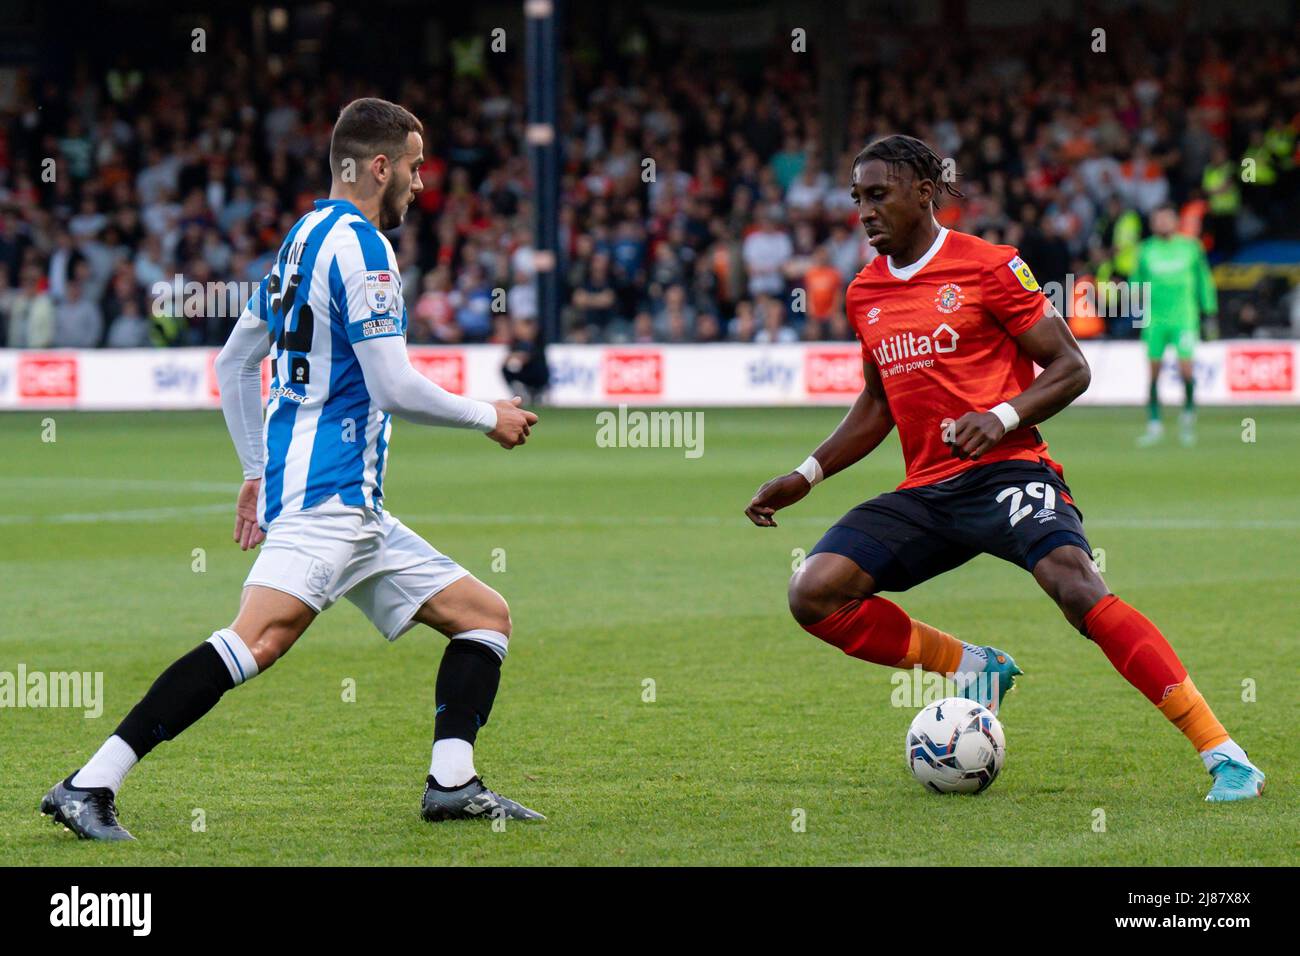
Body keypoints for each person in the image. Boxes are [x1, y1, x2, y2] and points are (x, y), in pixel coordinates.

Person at [41, 98, 544, 841]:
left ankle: (452, 783)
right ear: (379, 167)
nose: (418, 182)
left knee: (483, 618)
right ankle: (89, 782)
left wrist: (255, 469)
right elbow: (394, 386)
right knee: (255, 642)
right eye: (412, 166)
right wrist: (488, 417)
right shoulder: (366, 250)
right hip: (327, 499)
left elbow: (235, 362)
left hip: (351, 506)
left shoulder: (302, 239)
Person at [744, 135, 1263, 803]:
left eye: (879, 194)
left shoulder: (989, 266)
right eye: (858, 198)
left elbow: (1072, 366)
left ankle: (1225, 755)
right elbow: (879, 402)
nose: (865, 211)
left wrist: (1003, 417)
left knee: (1075, 586)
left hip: (1009, 471)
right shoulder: (865, 291)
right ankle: (973, 668)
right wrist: (807, 473)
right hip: (929, 490)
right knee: (812, 593)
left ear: (924, 192)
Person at [1133, 203, 1217, 447]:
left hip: (1184, 318)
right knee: (1154, 372)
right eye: (1158, 220)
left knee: (1187, 370)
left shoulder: (1191, 247)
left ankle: (1188, 417)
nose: (1162, 224)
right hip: (1155, 320)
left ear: (1175, 221)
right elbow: (1135, 284)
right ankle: (1154, 423)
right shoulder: (1145, 250)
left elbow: (1204, 280)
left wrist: (1209, 312)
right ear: (1152, 223)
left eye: (1166, 219)